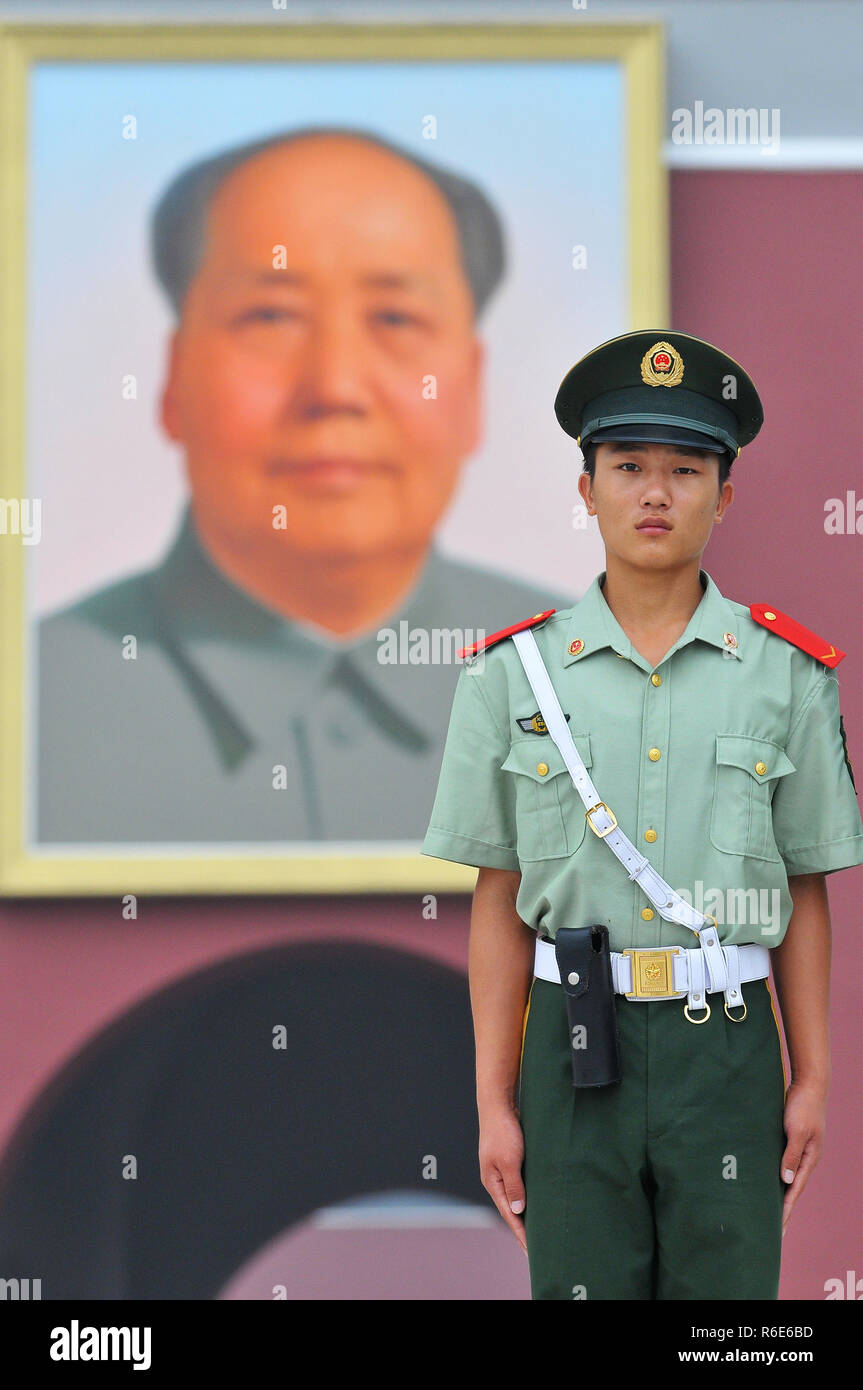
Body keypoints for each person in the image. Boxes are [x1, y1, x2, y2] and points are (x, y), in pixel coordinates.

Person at [421, 329, 863, 1300]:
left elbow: (802, 886)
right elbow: (499, 898)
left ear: (724, 493)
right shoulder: (509, 676)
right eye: (625, 467)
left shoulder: (784, 675)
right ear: (585, 488)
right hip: (574, 1056)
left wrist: (810, 1078)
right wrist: (494, 1099)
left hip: (728, 1045)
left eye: (684, 469)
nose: (653, 492)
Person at [36, 126, 573, 845]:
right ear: (172, 380)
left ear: (471, 389)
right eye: (270, 315)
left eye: (395, 318)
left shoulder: (589, 687)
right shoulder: (35, 702)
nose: (335, 386)